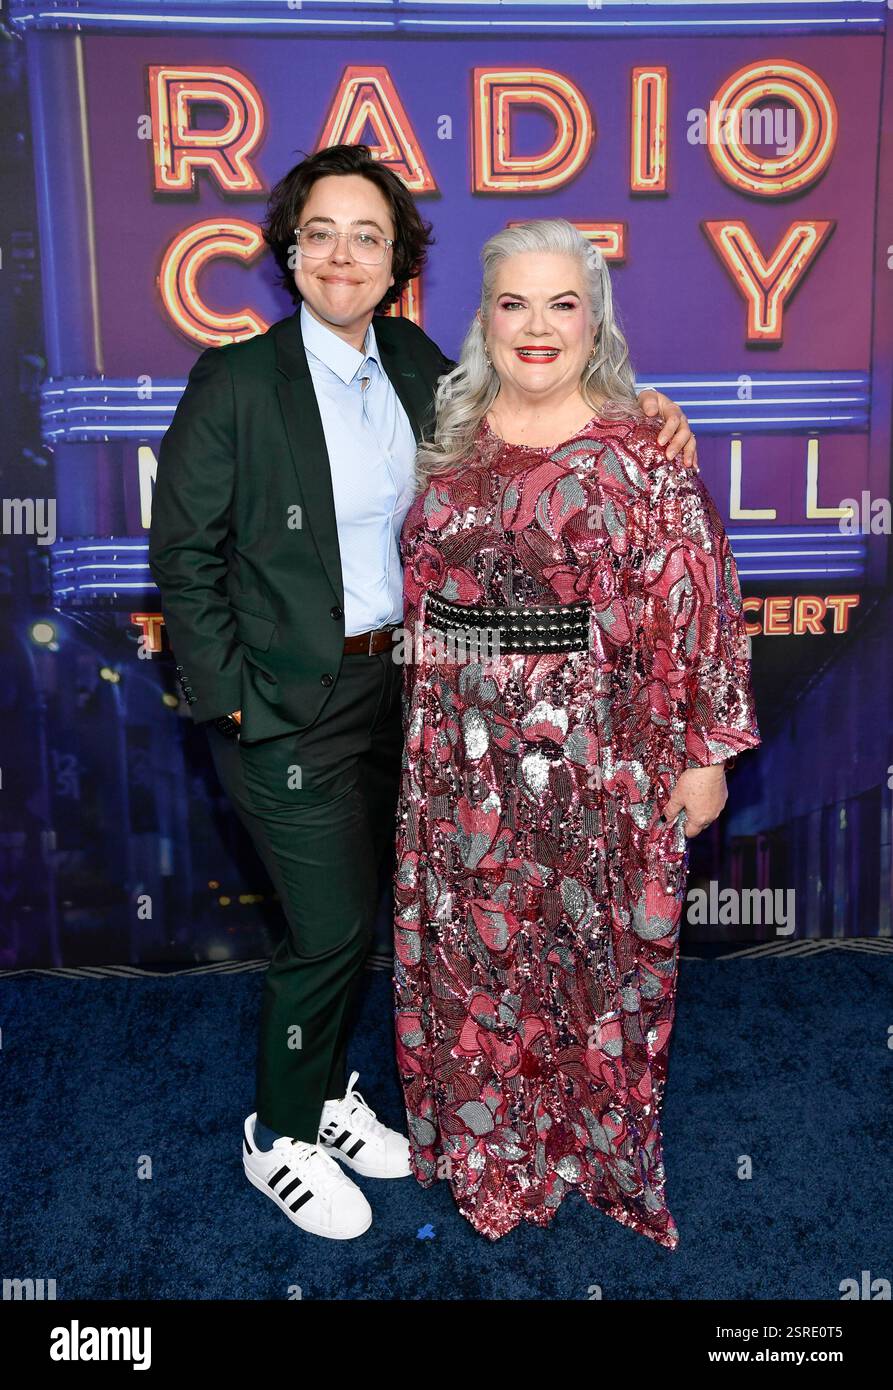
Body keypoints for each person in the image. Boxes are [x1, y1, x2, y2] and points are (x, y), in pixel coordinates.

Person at [148, 144, 697, 1241]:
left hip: (413, 702)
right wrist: (233, 702)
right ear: (289, 253)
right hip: (284, 704)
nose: (342, 255)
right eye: (320, 234)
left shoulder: (410, 363)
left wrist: (648, 411)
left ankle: (331, 1097)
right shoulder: (239, 380)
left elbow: (535, 404)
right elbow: (183, 554)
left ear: (397, 259)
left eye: (368, 235)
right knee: (331, 924)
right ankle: (280, 1133)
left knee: (390, 918)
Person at [393, 217, 761, 1245]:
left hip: (597, 745)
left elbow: (696, 603)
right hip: (456, 744)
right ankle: (485, 1142)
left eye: (562, 302)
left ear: (593, 316)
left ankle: (583, 1146)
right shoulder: (452, 425)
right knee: (477, 957)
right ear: (484, 316)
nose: (537, 325)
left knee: (588, 949)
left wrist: (700, 756)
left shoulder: (642, 449)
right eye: (514, 302)